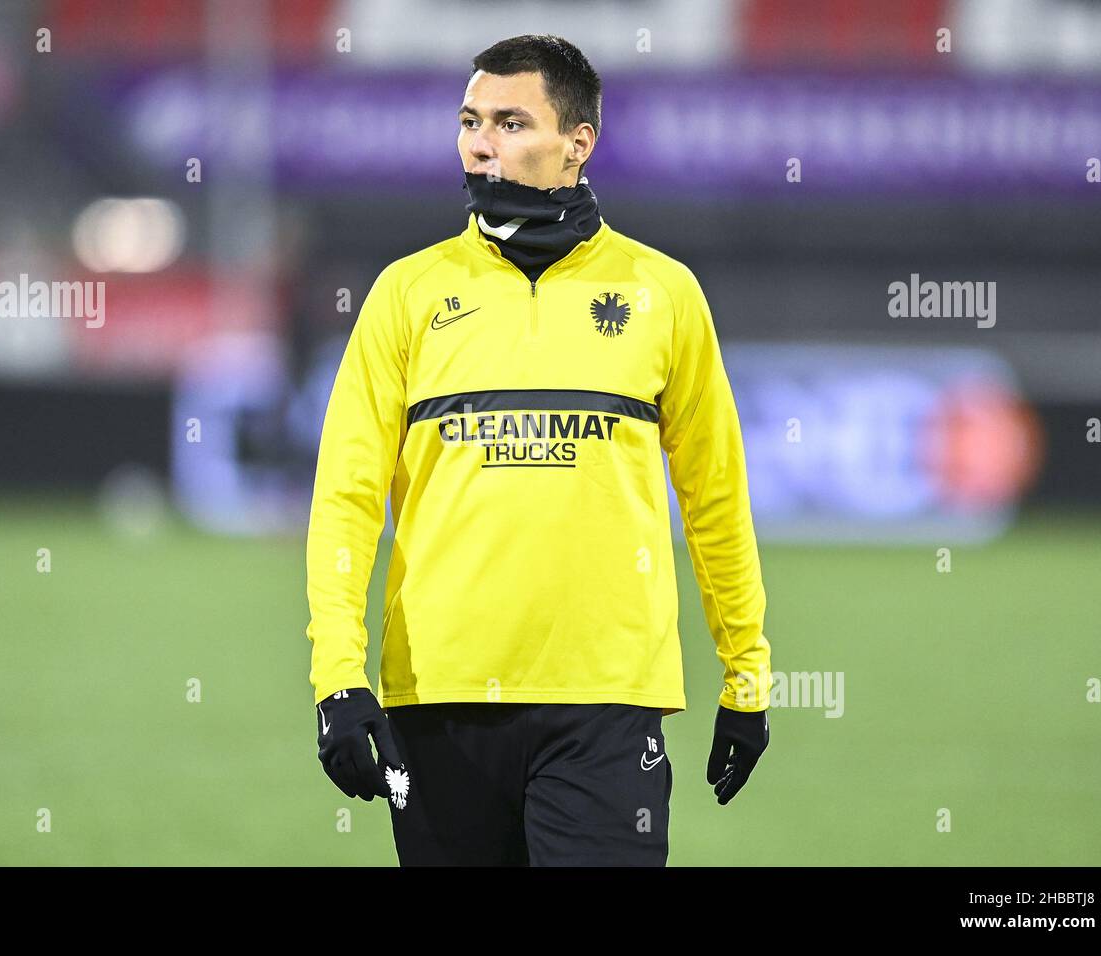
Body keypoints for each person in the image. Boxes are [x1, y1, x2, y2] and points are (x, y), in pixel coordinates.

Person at [305, 34, 771, 866]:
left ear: (577, 142)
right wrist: (337, 679)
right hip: (437, 700)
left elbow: (715, 496)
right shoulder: (406, 293)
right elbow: (345, 498)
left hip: (607, 705)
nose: (481, 141)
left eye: (511, 122)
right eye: (470, 120)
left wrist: (747, 676)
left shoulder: (662, 294)